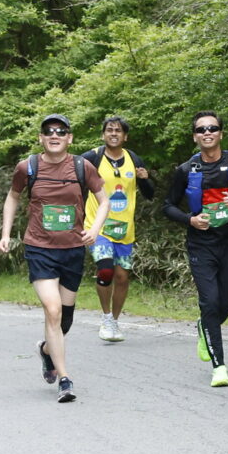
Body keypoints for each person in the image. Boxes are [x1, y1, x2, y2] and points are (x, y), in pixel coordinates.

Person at [0, 114, 108, 403]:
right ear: (41, 138)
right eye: (48, 131)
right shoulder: (28, 167)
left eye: (61, 131)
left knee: (64, 320)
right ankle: (65, 380)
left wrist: (95, 229)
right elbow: (12, 197)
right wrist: (5, 234)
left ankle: (46, 351)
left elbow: (104, 199)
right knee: (53, 310)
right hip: (40, 247)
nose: (54, 135)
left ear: (70, 138)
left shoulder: (83, 167)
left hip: (72, 249)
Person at [161, 111, 228, 388]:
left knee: (224, 304)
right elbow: (167, 205)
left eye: (212, 128)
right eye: (201, 129)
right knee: (209, 301)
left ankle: (204, 326)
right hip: (200, 244)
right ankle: (219, 367)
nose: (207, 133)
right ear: (195, 136)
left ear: (221, 133)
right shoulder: (186, 170)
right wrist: (190, 220)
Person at [81, 116, 154, 342]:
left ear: (125, 136)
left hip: (124, 229)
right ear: (103, 135)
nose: (114, 134)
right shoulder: (91, 158)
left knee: (122, 277)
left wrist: (145, 179)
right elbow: (74, 185)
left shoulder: (133, 158)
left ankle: (114, 320)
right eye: (110, 130)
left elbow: (150, 194)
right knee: (106, 271)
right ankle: (105, 317)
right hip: (97, 227)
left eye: (118, 131)